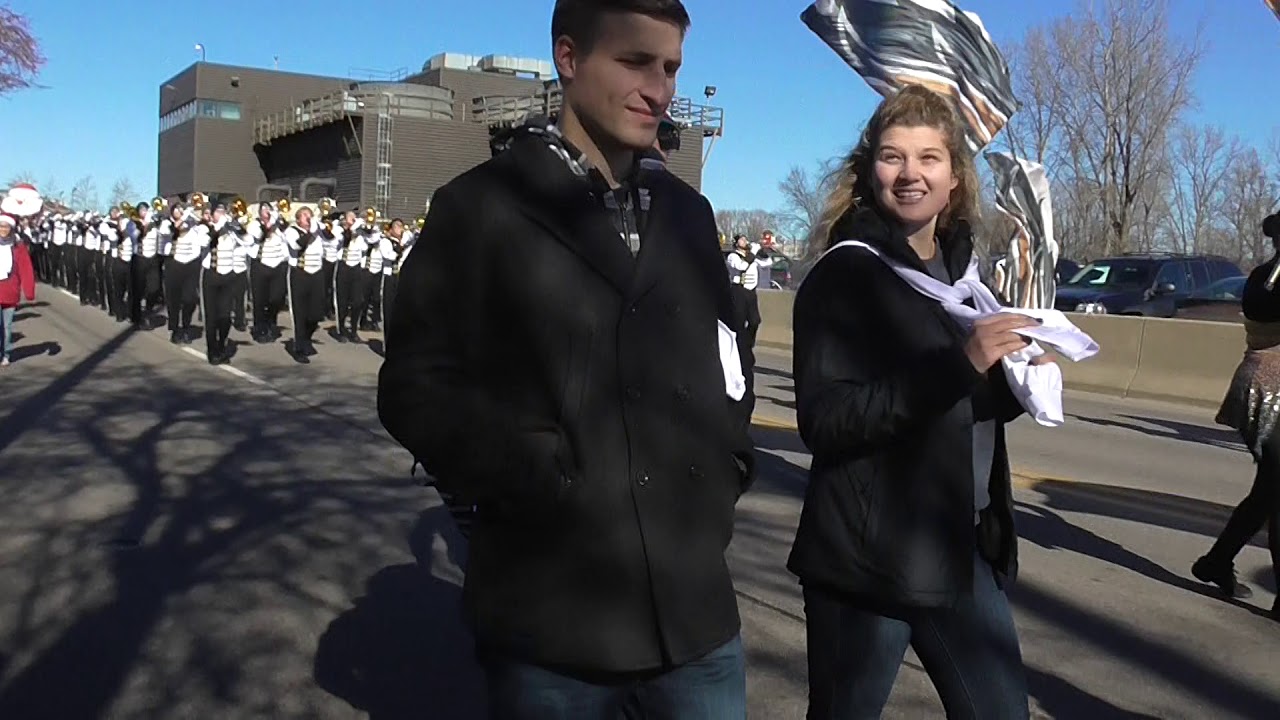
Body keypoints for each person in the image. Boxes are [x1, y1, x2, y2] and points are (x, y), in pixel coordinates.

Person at [377, 0, 755, 716]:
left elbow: (729, 363)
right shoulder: (481, 208)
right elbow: (414, 386)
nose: (661, 88)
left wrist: (723, 474)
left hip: (695, 616)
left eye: (671, 67)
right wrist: (526, 470)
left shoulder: (689, 216)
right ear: (569, 57)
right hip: (552, 620)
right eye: (636, 62)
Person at [787, 85, 1048, 719]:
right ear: (868, 169)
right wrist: (960, 365)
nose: (910, 175)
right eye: (892, 157)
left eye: (929, 158)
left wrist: (1014, 377)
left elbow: (962, 409)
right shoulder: (844, 275)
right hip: (867, 564)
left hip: (959, 545)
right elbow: (828, 422)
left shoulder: (964, 279)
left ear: (955, 177)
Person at [1196, 213, 1280, 618]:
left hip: (1257, 386)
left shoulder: (1262, 276)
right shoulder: (1270, 280)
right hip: (1271, 392)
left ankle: (1216, 561)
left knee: (1268, 491)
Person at [0, 213, 36, 366]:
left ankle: (6, 353)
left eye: (6, 226)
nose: (3, 229)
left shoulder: (18, 246)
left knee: (7, 327)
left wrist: (29, 291)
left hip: (10, 290)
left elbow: (26, 269)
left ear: (12, 228)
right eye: (1, 226)